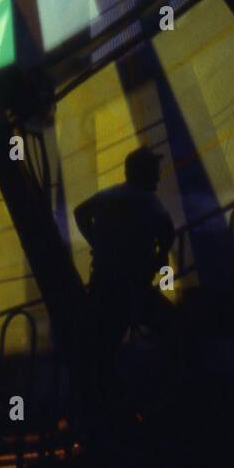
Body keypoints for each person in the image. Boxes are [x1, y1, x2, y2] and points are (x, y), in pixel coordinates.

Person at [74, 146, 176, 390]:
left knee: (105, 344)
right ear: (143, 173)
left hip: (104, 282)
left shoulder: (109, 195)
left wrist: (95, 241)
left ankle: (105, 391)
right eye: (154, 170)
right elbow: (166, 230)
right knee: (173, 328)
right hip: (132, 286)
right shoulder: (147, 201)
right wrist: (160, 255)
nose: (158, 176)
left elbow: (80, 212)